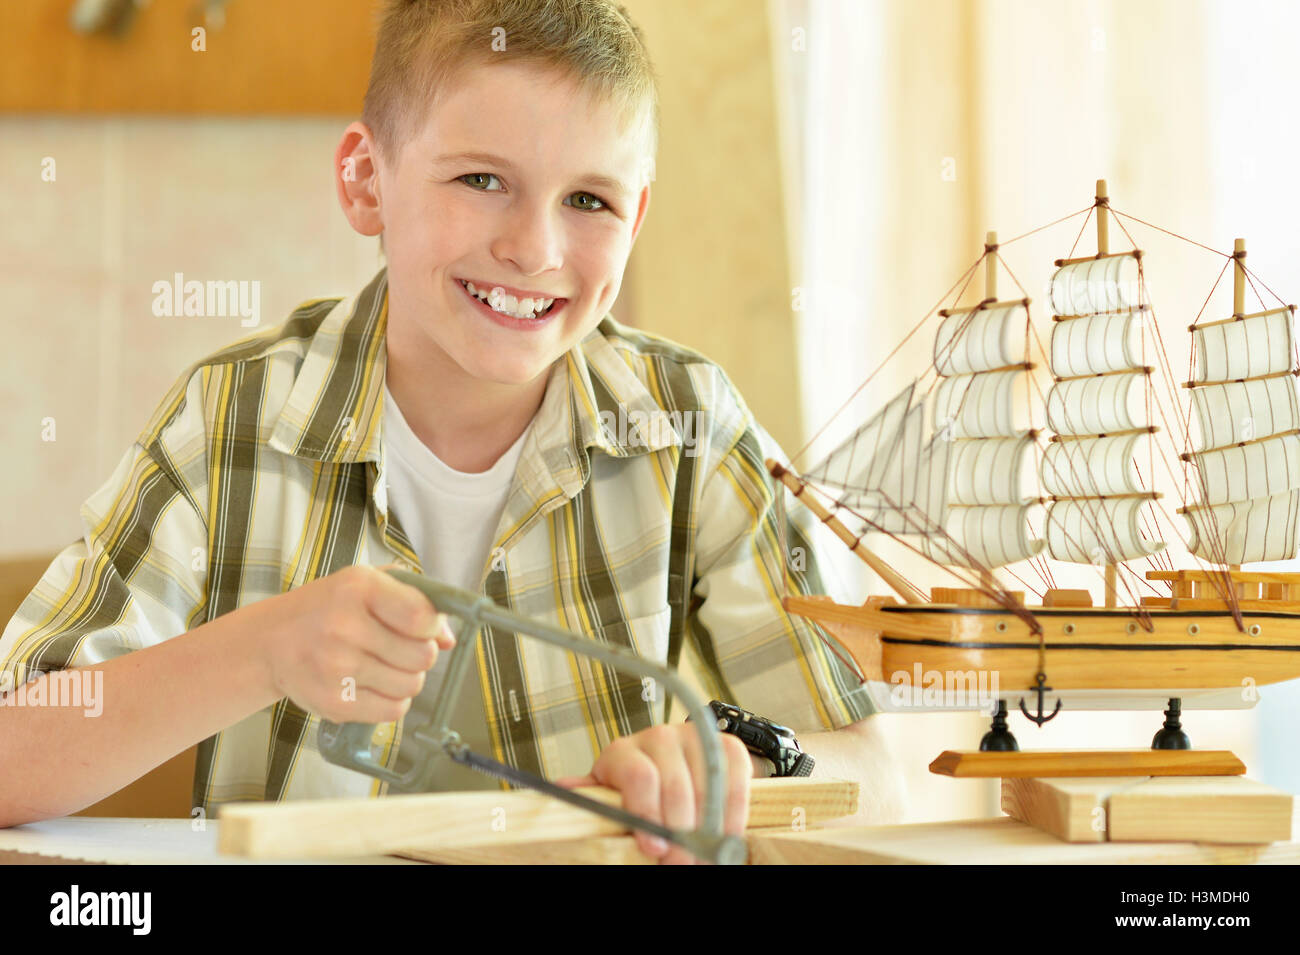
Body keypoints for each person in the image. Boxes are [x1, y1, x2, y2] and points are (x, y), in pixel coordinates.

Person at [0, 0, 903, 863]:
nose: (536, 249)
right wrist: (263, 648)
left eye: (589, 200)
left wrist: (738, 764)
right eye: (482, 180)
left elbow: (879, 780)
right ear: (366, 181)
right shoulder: (230, 416)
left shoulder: (691, 425)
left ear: (638, 216)